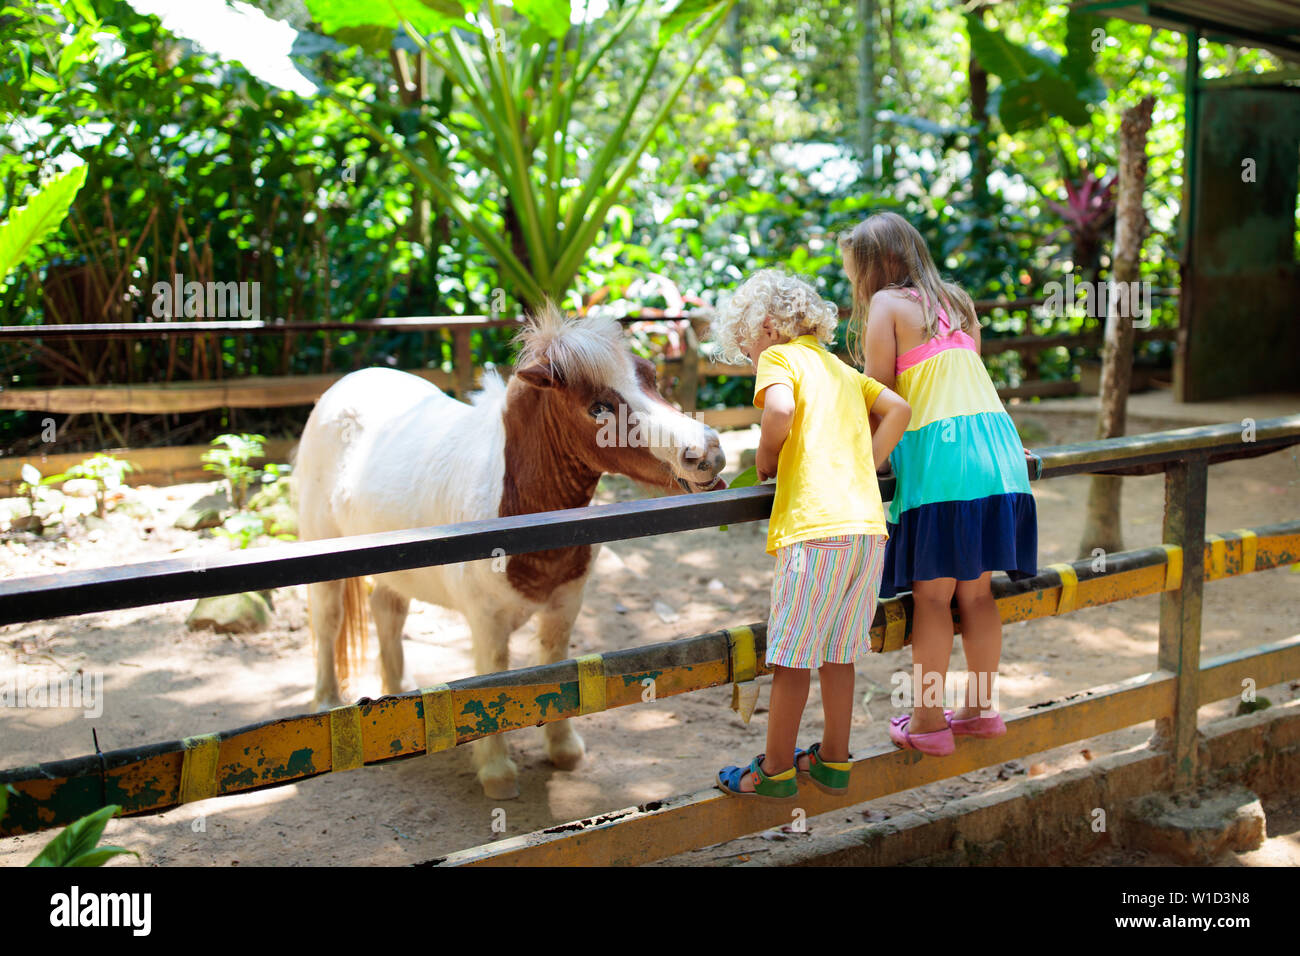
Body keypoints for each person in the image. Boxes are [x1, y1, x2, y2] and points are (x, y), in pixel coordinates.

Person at [839, 212, 1038, 756]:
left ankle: (927, 720)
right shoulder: (958, 301)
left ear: (875, 265)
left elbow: (881, 391)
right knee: (976, 592)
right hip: (994, 449)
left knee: (931, 598)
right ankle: (979, 709)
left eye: (854, 269)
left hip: (941, 458)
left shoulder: (886, 306)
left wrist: (859, 454)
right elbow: (970, 379)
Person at [711, 268, 911, 800]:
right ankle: (833, 762)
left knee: (792, 656)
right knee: (839, 653)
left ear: (770, 327)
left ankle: (774, 771)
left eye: (748, 345)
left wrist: (766, 456)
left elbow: (779, 409)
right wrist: (868, 462)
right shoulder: (842, 371)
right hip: (868, 530)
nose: (751, 357)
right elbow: (899, 409)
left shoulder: (781, 359)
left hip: (816, 531)